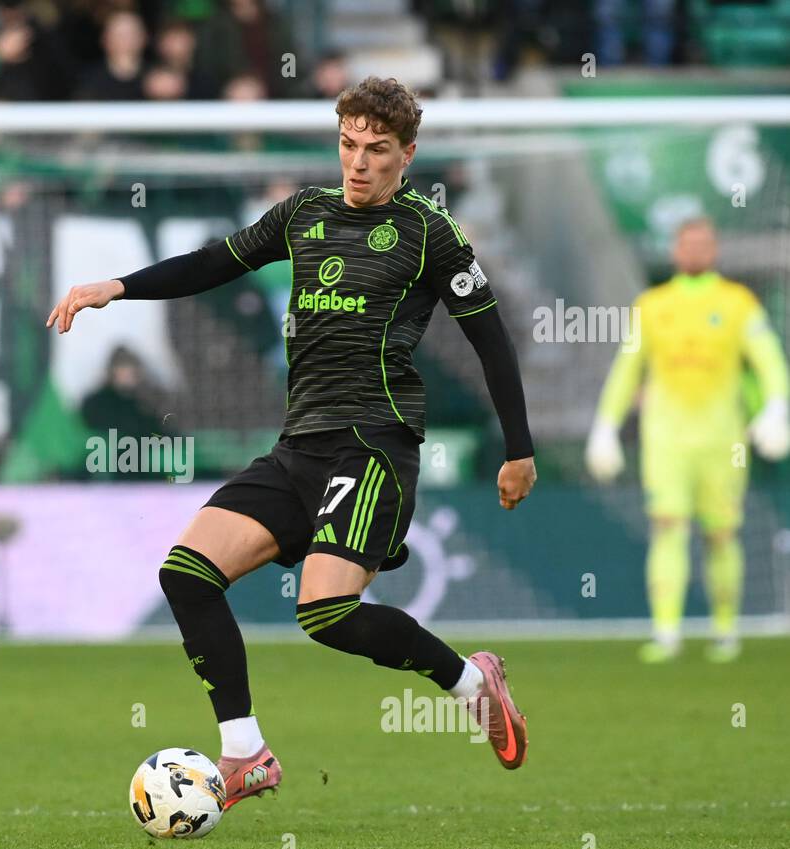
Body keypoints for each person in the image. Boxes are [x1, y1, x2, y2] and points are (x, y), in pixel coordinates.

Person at [48, 77, 537, 808]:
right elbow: (214, 262)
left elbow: (490, 338)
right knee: (186, 573)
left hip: (374, 445)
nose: (359, 162)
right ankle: (245, 752)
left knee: (327, 614)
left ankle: (470, 684)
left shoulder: (429, 232)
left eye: (377, 149)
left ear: (408, 154)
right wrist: (114, 286)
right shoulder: (303, 214)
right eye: (348, 144)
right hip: (297, 447)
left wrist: (518, 448)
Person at [586, 217, 789, 663]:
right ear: (676, 251)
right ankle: (666, 632)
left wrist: (777, 407)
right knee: (667, 528)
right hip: (666, 441)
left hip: (723, 442)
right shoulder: (653, 305)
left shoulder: (738, 304)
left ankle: (725, 630)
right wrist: (605, 426)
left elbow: (771, 360)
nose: (695, 251)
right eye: (687, 243)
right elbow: (627, 370)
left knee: (722, 534)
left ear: (713, 250)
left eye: (703, 243)